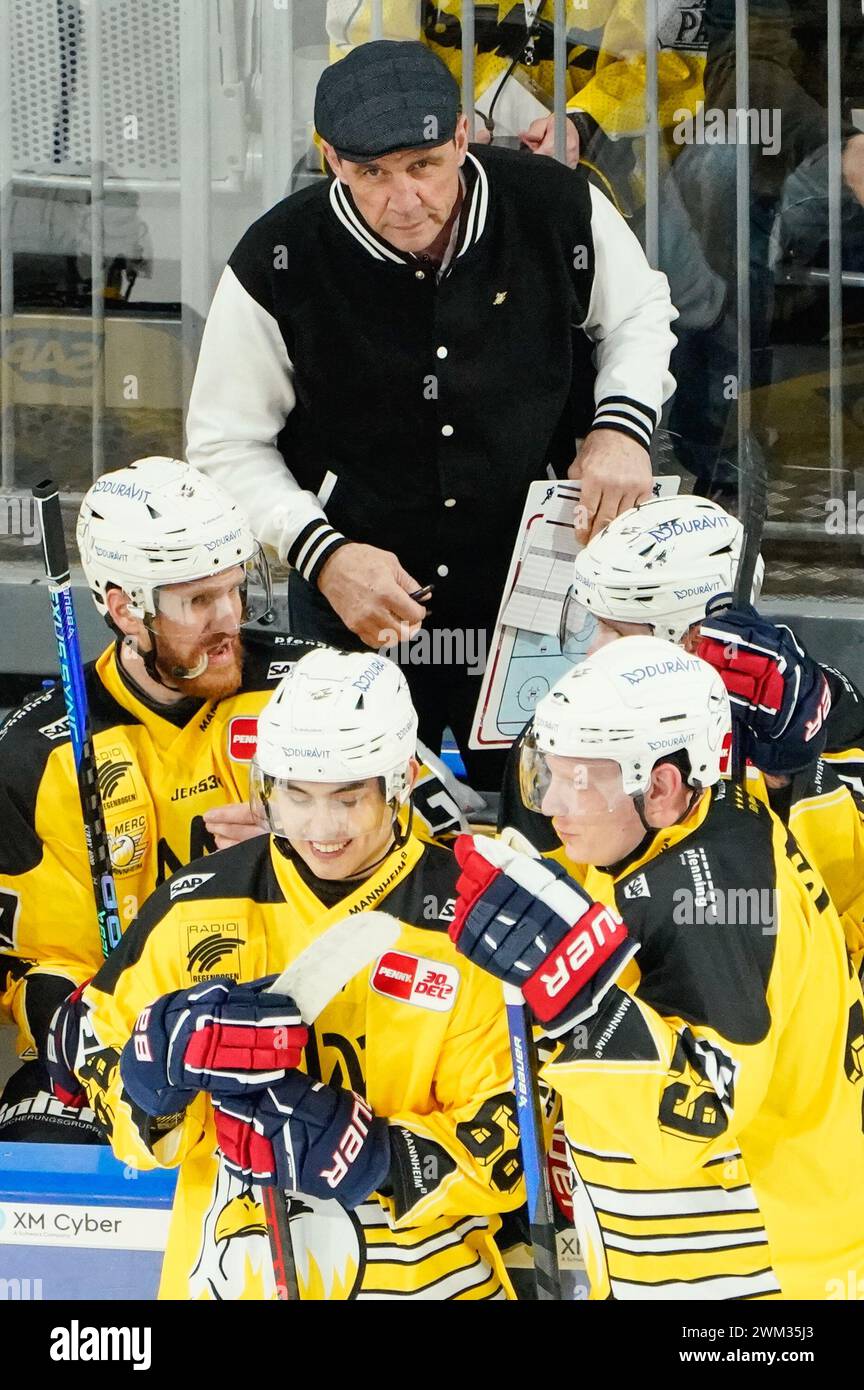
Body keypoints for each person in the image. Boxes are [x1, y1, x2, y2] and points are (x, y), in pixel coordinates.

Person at [186, 38, 676, 785]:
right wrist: (323, 553)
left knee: (549, 819)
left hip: (533, 591)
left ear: (460, 137)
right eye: (370, 173)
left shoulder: (557, 202)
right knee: (352, 829)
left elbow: (640, 311)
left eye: (423, 165)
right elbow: (225, 442)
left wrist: (621, 427)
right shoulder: (277, 255)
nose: (403, 198)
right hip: (355, 596)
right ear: (329, 158)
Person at [59, 649, 523, 1300]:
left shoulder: (473, 921)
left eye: (349, 798)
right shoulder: (194, 904)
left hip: (427, 1284)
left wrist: (382, 1159)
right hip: (230, 1275)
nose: (321, 828)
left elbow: (523, 1137)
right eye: (296, 796)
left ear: (403, 780)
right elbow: (106, 1088)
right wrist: (153, 1080)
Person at [450, 636, 864, 1299]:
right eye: (547, 772)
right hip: (721, 1255)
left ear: (663, 785)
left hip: (756, 1272)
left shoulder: (710, 903)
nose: (551, 802)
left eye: (577, 780)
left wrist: (579, 1000)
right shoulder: (699, 827)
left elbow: (695, 1118)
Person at [0, 456, 315, 1142]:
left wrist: (302, 847)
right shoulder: (38, 753)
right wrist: (88, 1034)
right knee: (41, 1141)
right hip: (134, 1038)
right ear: (123, 607)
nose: (230, 618)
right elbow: (41, 963)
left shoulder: (316, 691)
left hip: (311, 1018)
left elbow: (424, 857)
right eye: (199, 601)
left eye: (235, 590)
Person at [498, 494, 864, 972]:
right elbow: (530, 903)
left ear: (692, 636)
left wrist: (786, 777)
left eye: (614, 630)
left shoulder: (818, 707)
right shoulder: (567, 727)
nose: (591, 649)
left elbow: (840, 921)